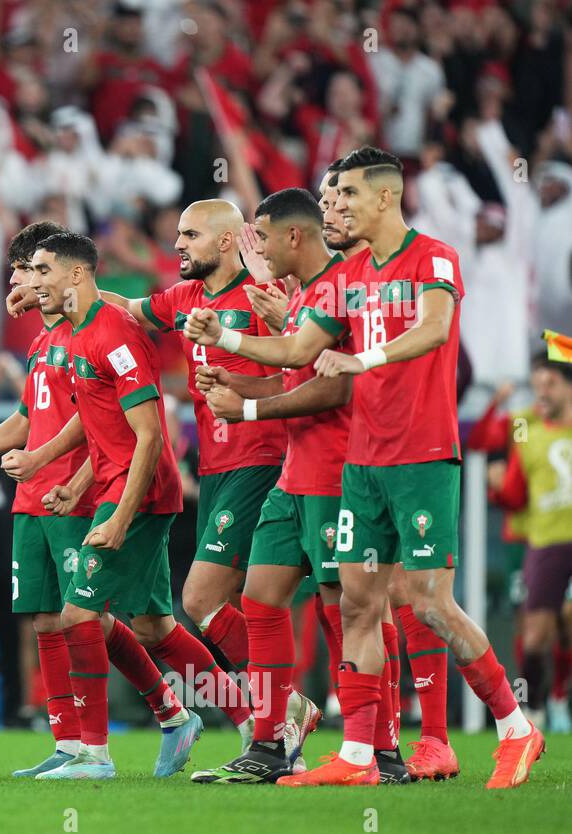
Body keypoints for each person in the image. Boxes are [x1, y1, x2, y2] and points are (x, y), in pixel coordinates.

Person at [185, 147, 543, 789]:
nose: (335, 207)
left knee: (426, 602)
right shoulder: (346, 281)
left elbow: (435, 329)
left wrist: (362, 361)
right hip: (362, 465)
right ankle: (357, 756)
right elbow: (298, 348)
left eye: (346, 194)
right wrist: (227, 340)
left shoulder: (432, 256)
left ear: (385, 197)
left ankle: (513, 727)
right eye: (330, 196)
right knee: (355, 605)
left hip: (423, 455)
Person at [0, 221, 201, 778]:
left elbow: (98, 418)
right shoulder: (42, 343)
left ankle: (147, 723)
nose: (16, 282)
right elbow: (28, 417)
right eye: (19, 271)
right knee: (47, 621)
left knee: (92, 618)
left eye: (27, 270)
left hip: (80, 492)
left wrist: (66, 475)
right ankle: (70, 743)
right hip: (34, 497)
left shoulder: (95, 332)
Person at [21, 231, 241, 780]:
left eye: (44, 271)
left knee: (76, 614)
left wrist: (119, 514)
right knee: (152, 627)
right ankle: (252, 715)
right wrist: (75, 483)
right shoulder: (78, 333)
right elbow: (103, 423)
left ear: (75, 275)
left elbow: (148, 435)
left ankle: (93, 755)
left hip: (137, 496)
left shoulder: (113, 335)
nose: (36, 282)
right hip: (114, 487)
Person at [185, 188, 354, 783]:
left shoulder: (338, 287)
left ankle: (377, 749)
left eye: (261, 233)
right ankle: (269, 740)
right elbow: (290, 374)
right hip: (292, 473)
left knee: (354, 608)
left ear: (291, 235)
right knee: (260, 601)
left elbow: (329, 384)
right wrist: (237, 382)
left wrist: (242, 394)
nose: (255, 246)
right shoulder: (303, 293)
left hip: (335, 472)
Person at [91, 200, 290, 682]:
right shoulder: (183, 298)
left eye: (190, 234)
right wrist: (67, 287)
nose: (178, 243)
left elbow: (297, 376)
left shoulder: (262, 294)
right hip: (215, 466)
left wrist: (240, 389)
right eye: (178, 233)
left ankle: (283, 706)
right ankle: (281, 712)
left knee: (201, 597)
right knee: (232, 600)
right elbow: (128, 308)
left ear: (226, 241)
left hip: (261, 458)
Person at [491, 358, 572, 733]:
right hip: (545, 542)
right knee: (536, 633)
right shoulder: (528, 433)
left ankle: (558, 699)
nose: (543, 392)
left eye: (551, 383)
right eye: (538, 385)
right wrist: (496, 482)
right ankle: (534, 712)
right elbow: (512, 494)